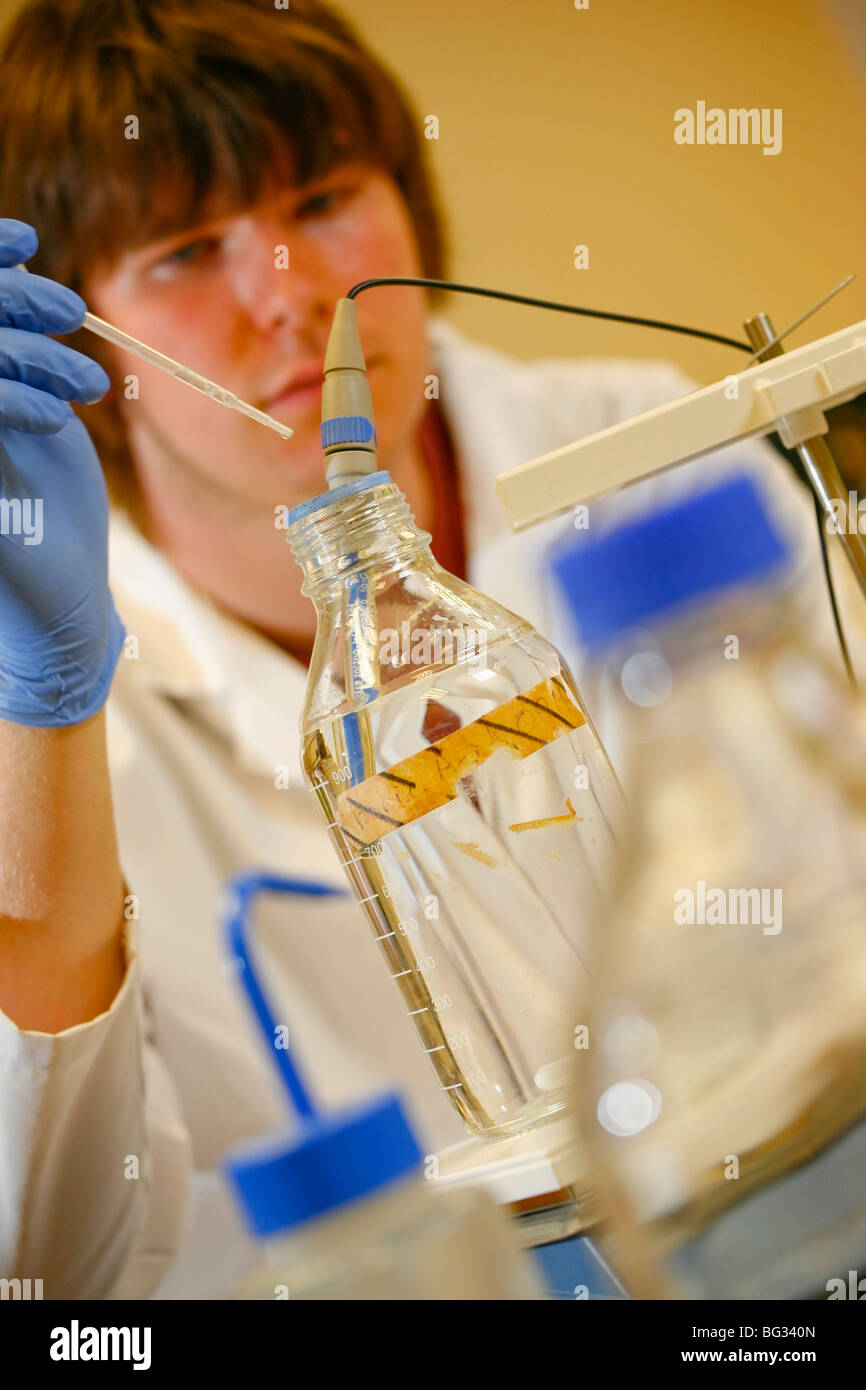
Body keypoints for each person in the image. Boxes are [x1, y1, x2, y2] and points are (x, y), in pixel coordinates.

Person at [0, 0, 849, 1298]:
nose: (285, 298)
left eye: (325, 197)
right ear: (75, 335)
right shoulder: (43, 677)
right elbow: (55, 1260)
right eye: (182, 250)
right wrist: (47, 717)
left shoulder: (641, 453)